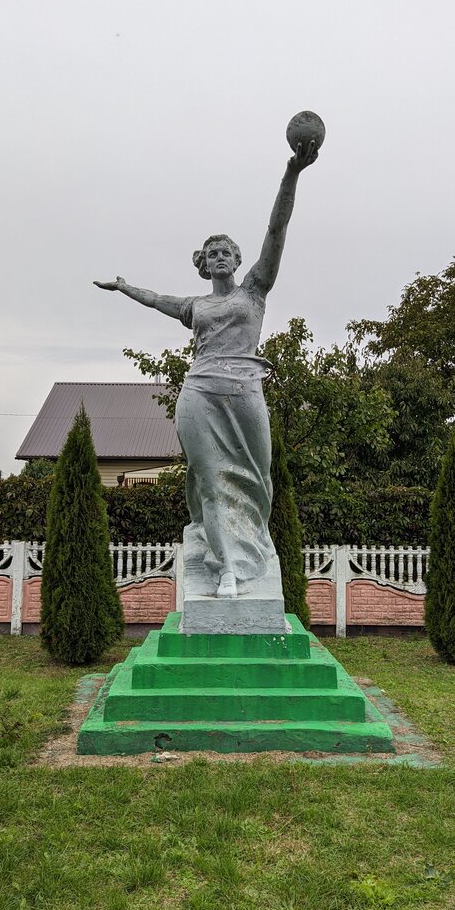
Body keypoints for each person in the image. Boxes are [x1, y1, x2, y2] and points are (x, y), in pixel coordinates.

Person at [95, 139, 318, 598]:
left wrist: (292, 173)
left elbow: (276, 232)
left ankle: (251, 554)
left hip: (246, 388)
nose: (219, 256)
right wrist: (123, 287)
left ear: (237, 260)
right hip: (199, 392)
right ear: (204, 264)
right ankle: (226, 567)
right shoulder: (195, 305)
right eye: (211, 252)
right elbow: (157, 299)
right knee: (209, 479)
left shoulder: (253, 291)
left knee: (260, 478)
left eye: (226, 251)